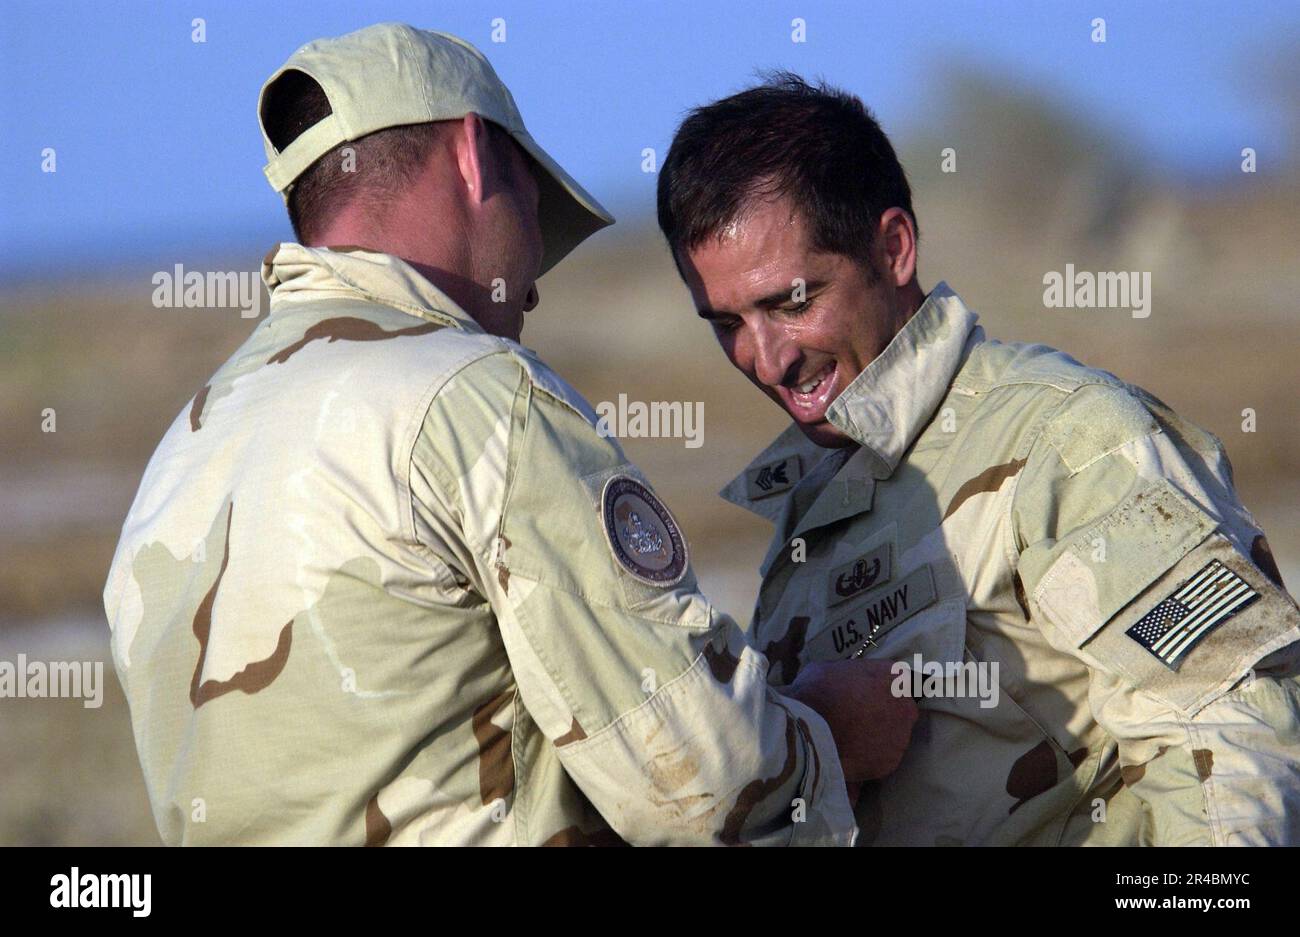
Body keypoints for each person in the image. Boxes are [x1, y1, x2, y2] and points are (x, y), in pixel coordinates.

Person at [102, 24, 919, 847]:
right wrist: (831, 729)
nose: (530, 288)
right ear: (473, 154)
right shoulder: (477, 396)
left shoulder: (184, 452)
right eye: (536, 205)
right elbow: (704, 782)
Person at [655, 73, 1300, 846]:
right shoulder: (810, 514)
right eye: (725, 322)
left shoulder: (1068, 438)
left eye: (793, 302)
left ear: (893, 249)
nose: (765, 358)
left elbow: (1231, 746)